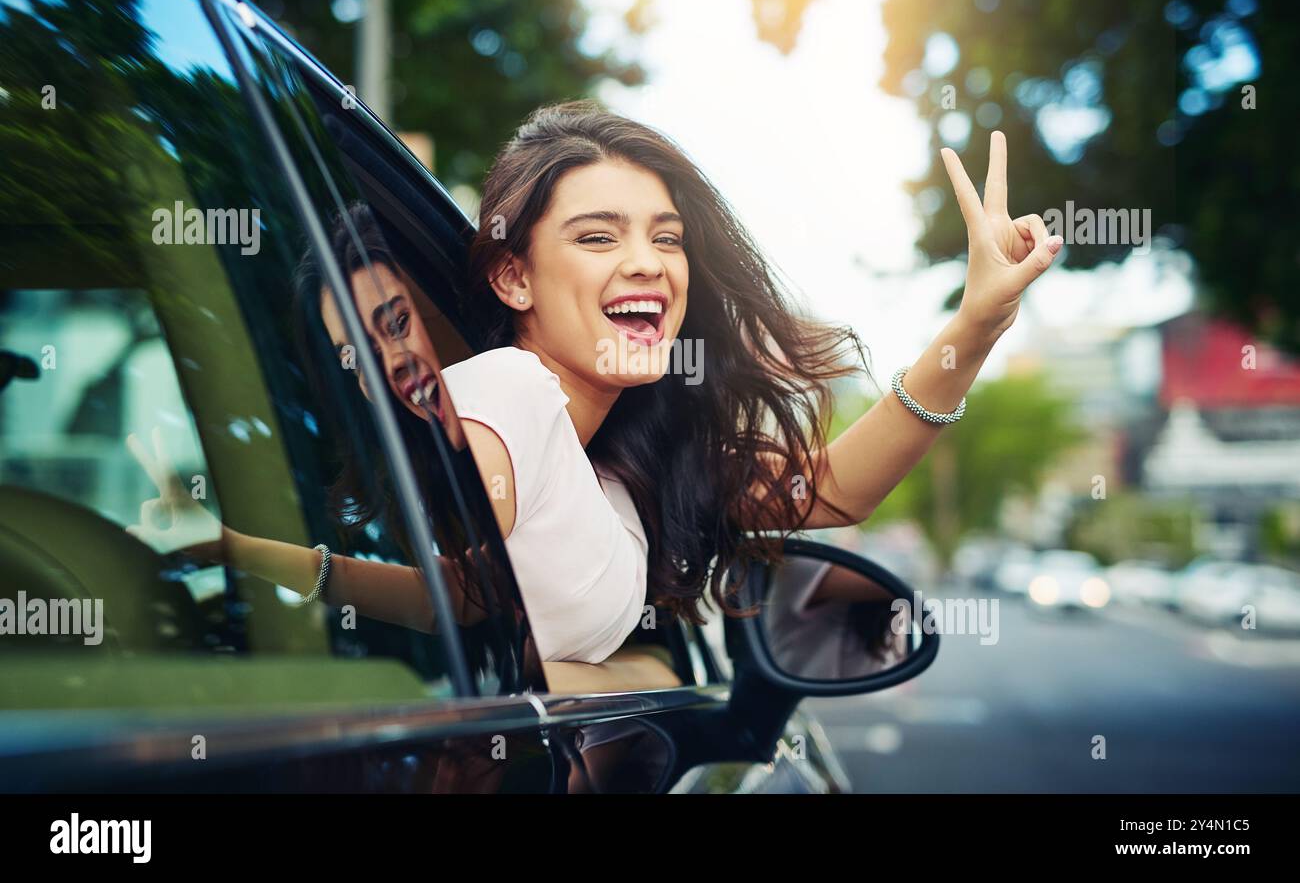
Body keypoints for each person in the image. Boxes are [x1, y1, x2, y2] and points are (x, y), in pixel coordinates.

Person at [128, 98, 1060, 674]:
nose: (649, 262)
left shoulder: (619, 457)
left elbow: (838, 489)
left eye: (666, 235)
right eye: (598, 235)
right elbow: (482, 569)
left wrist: (976, 324)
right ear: (513, 278)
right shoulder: (506, 392)